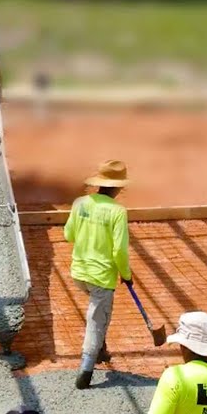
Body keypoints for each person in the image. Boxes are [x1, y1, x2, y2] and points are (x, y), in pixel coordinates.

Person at [64, 159, 133, 390]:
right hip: (101, 277)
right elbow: (119, 250)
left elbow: (68, 235)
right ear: (118, 187)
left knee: (100, 312)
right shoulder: (117, 211)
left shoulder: (80, 203)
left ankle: (101, 348)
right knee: (96, 320)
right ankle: (86, 370)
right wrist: (126, 273)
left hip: (78, 273)